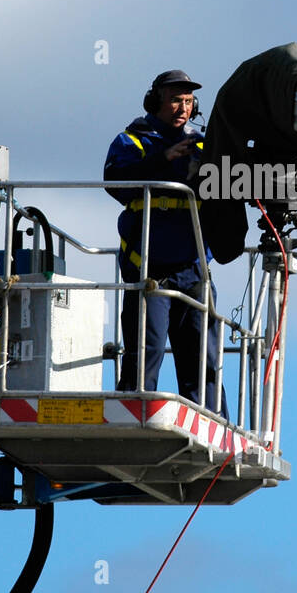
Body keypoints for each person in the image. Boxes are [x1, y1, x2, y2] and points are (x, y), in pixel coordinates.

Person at [104, 70, 227, 419]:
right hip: (149, 265)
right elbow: (114, 183)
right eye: (175, 99)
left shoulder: (206, 144)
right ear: (155, 100)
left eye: (188, 101)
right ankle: (133, 414)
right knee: (148, 347)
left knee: (203, 355)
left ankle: (214, 422)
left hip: (194, 266)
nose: (182, 108)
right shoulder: (133, 141)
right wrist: (164, 158)